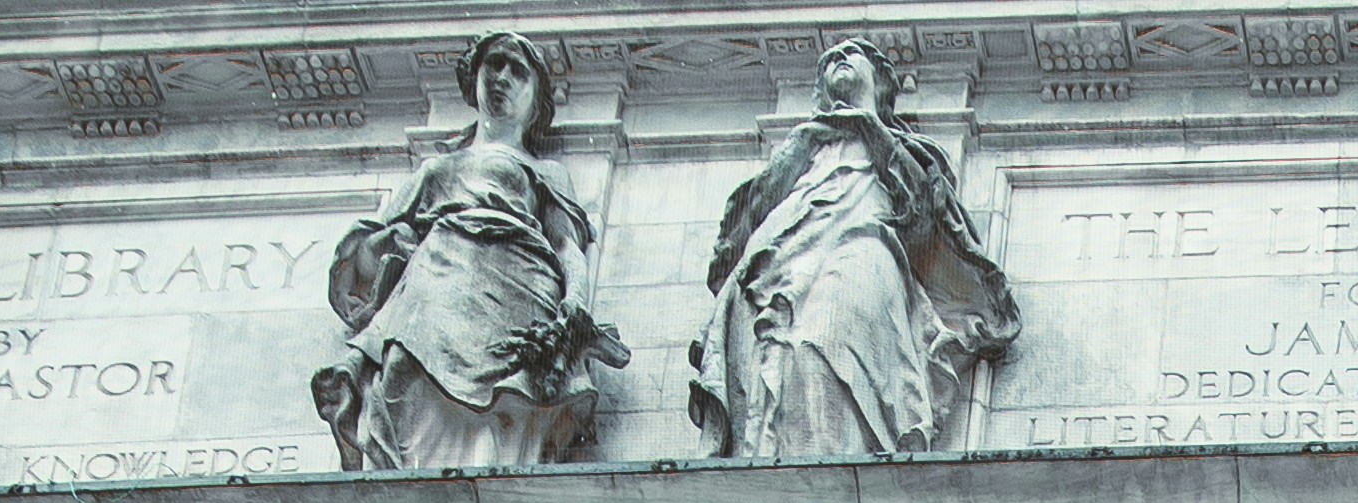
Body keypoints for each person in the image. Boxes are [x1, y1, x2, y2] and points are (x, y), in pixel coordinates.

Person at [696, 33, 1022, 460]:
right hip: (785, 256)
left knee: (822, 340)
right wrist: (805, 142)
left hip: (865, 243)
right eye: (830, 58)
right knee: (779, 353)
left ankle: (844, 468)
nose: (839, 59)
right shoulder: (809, 144)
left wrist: (870, 130)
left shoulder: (911, 150)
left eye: (851, 54)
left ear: (883, 82)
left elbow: (923, 212)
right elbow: (756, 210)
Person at [317, 31, 621, 473]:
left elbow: (566, 245)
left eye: (518, 71)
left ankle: (491, 474)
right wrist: (382, 247)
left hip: (520, 277)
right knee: (402, 367)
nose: (502, 77)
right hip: (443, 273)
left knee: (507, 395)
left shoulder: (545, 170)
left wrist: (575, 300)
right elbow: (365, 260)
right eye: (493, 65)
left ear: (536, 101)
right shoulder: (439, 168)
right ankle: (415, 475)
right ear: (474, 81)